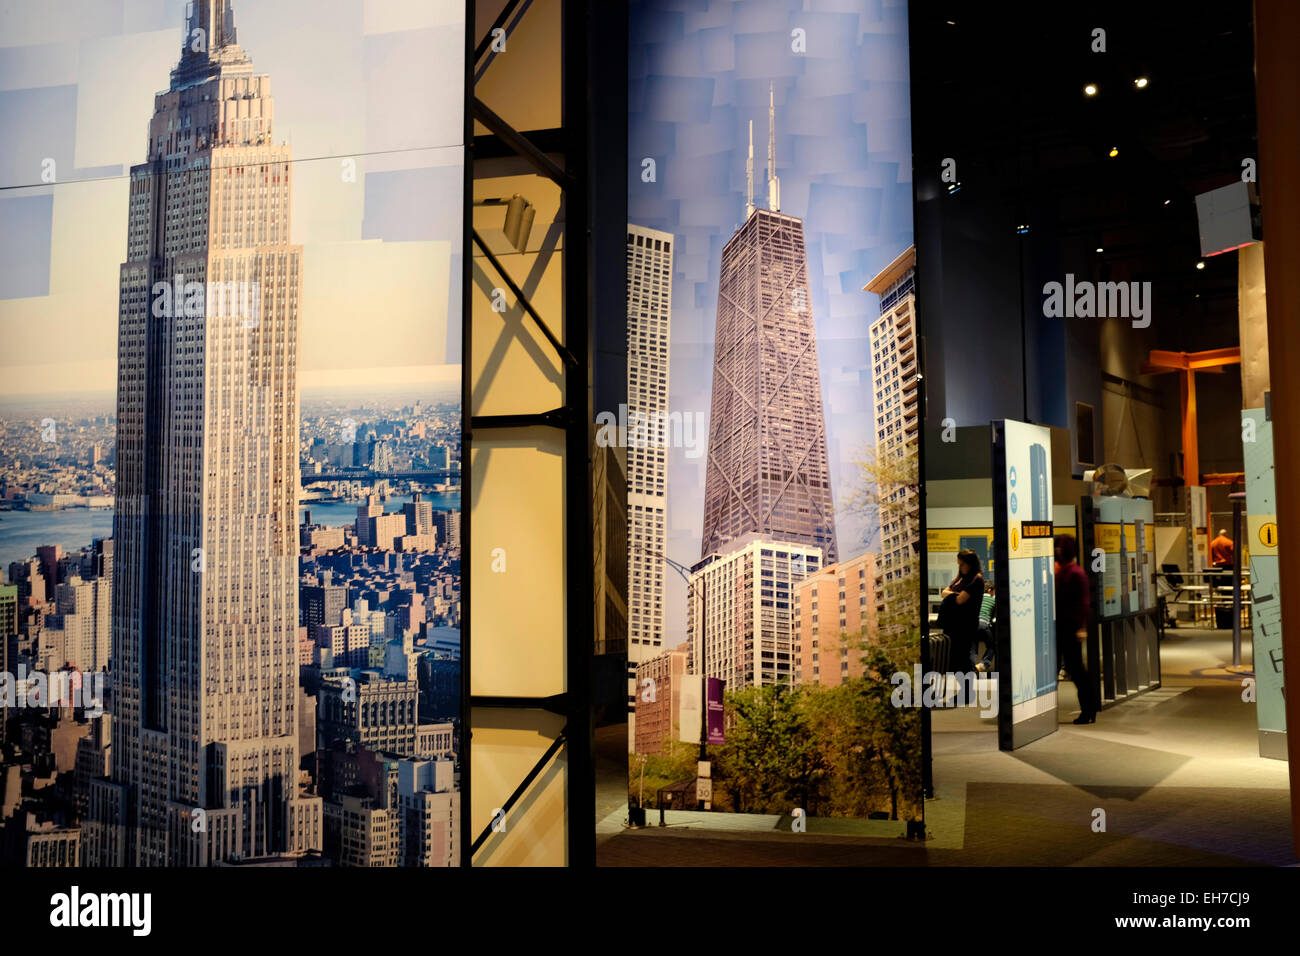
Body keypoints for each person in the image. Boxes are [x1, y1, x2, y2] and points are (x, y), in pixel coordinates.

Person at [1055, 533, 1097, 724]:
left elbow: (1083, 602)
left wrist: (1081, 627)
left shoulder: (1073, 573)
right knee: (1075, 668)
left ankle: (1088, 709)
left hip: (1069, 626)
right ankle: (1089, 709)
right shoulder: (1067, 571)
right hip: (1065, 625)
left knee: (1076, 669)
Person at [938, 549, 984, 673]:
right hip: (953, 625)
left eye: (962, 564)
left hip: (965, 626)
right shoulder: (960, 579)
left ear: (970, 563)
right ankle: (964, 690)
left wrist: (952, 595)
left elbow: (960, 600)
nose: (960, 567)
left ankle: (968, 690)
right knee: (954, 660)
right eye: (959, 564)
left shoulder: (976, 579)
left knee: (962, 660)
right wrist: (954, 594)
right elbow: (944, 593)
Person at [972, 582, 996, 673]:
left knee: (973, 648)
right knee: (992, 646)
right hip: (984, 625)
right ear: (990, 590)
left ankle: (971, 667)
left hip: (973, 625)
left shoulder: (977, 598)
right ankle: (983, 665)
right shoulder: (993, 599)